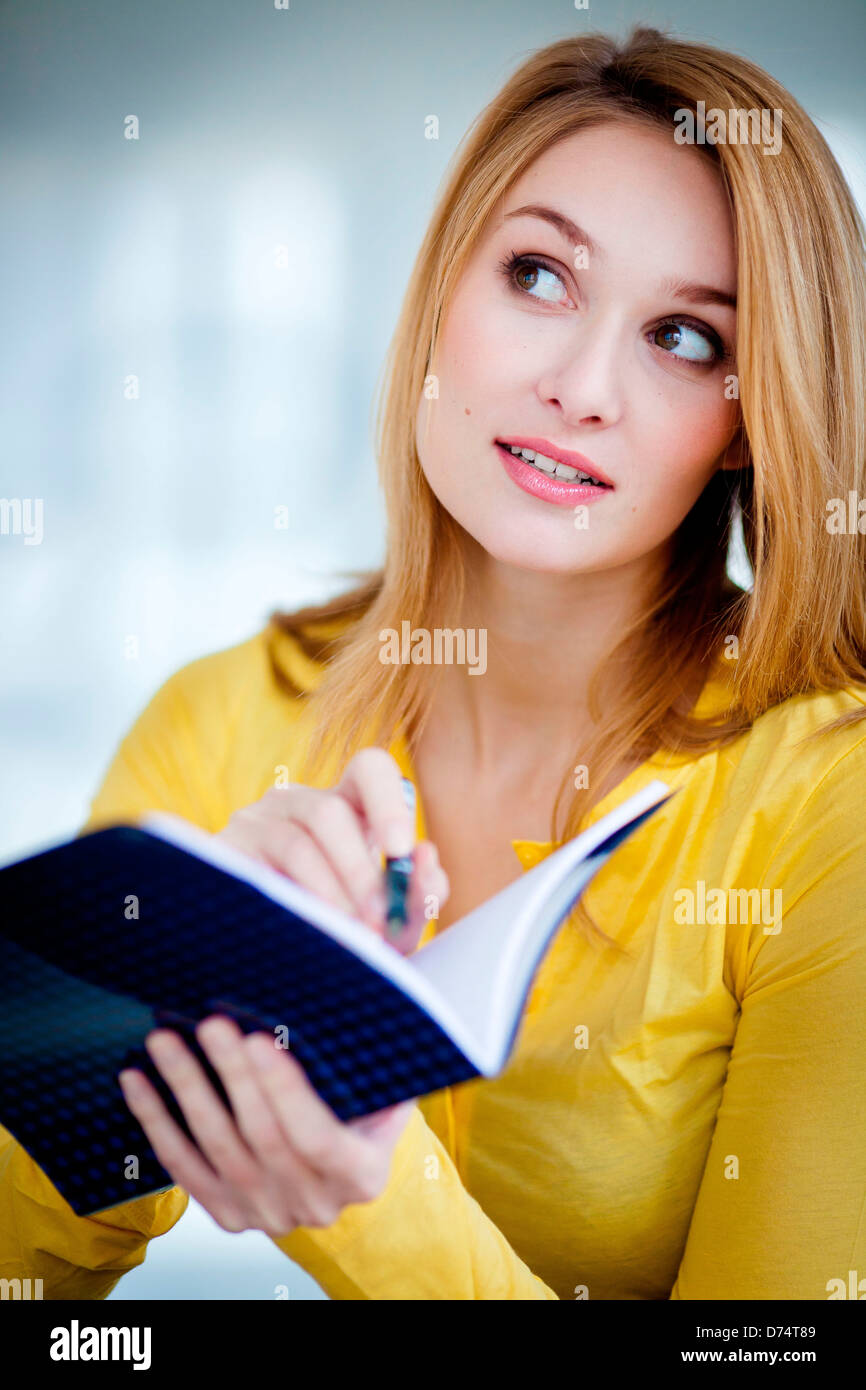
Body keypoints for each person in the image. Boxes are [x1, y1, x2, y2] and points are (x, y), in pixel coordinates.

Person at [3, 23, 866, 1301]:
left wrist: (373, 1198)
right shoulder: (220, 719)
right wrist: (145, 1015)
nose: (580, 388)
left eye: (683, 339)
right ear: (438, 298)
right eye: (538, 275)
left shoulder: (826, 803)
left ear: (750, 421)